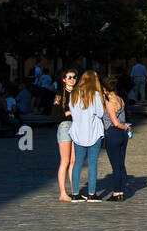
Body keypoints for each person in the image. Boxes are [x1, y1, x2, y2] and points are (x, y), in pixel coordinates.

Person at [68, 71, 106, 201]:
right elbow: (100, 113)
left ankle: (74, 192)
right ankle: (92, 193)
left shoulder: (74, 94)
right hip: (93, 131)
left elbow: (72, 112)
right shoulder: (94, 95)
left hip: (78, 132)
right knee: (92, 163)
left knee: (77, 162)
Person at [102, 74, 132, 200]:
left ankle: (116, 192)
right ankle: (121, 191)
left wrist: (122, 126)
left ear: (105, 89)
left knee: (115, 165)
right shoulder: (121, 99)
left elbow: (115, 122)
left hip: (113, 133)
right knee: (121, 164)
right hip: (123, 136)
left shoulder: (110, 103)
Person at [52, 69, 78, 200]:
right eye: (69, 77)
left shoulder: (78, 93)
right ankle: (62, 192)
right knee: (65, 161)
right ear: (64, 79)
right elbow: (55, 115)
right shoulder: (59, 94)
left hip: (77, 126)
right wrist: (69, 113)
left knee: (74, 161)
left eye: (74, 77)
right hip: (65, 126)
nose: (72, 79)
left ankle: (74, 191)